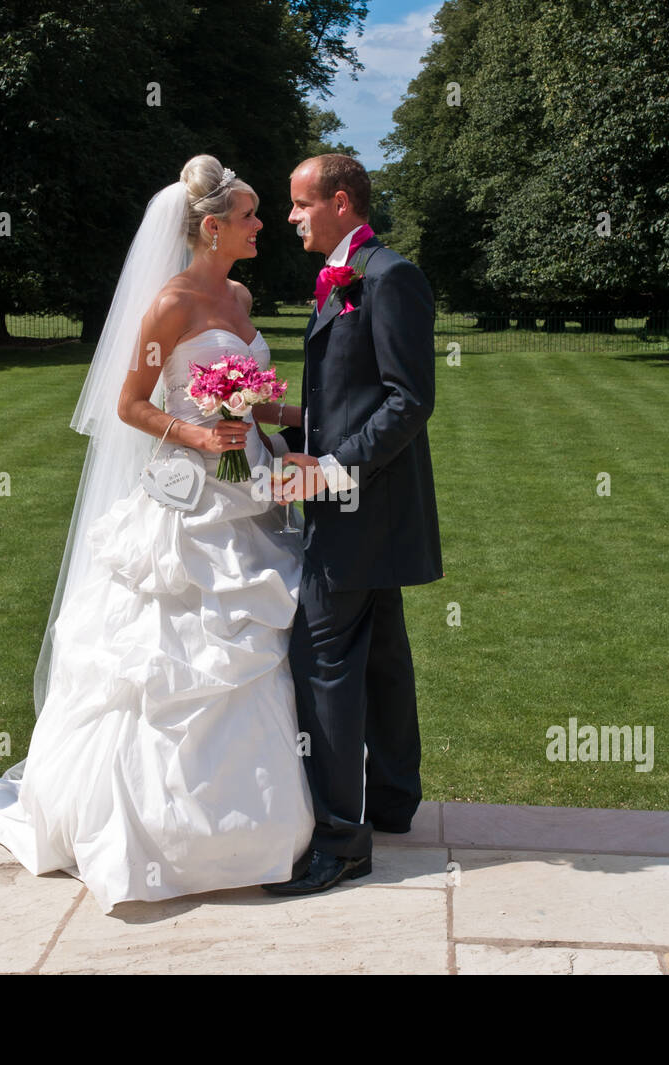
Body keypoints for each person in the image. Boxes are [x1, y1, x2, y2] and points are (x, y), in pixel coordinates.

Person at [0, 155, 314, 913]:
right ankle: (152, 827)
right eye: (249, 215)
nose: (261, 224)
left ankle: (260, 823)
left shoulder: (238, 294)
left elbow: (255, 402)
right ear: (212, 227)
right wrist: (197, 436)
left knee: (248, 637)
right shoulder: (169, 305)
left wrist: (295, 418)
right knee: (163, 654)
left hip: (250, 492)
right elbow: (130, 403)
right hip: (189, 495)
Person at [261, 154, 442, 896]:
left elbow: (407, 401)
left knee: (324, 661)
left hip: (361, 509)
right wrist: (283, 417)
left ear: (340, 202)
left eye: (301, 205)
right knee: (383, 655)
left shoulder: (387, 276)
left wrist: (326, 469)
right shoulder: (342, 275)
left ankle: (341, 841)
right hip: (364, 509)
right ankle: (395, 801)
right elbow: (354, 397)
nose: (292, 218)